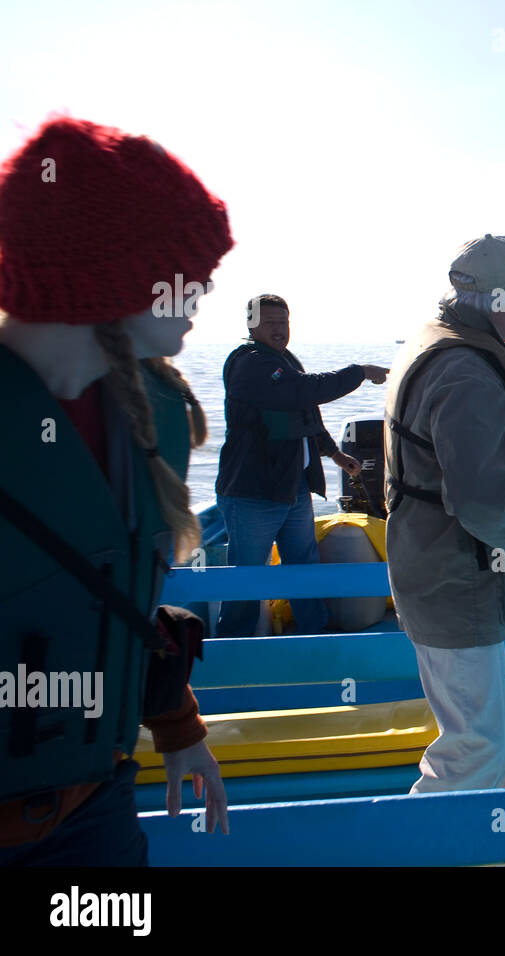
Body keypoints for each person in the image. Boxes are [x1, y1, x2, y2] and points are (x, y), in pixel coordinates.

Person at [0, 116, 231, 863]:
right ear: (107, 281)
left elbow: (110, 589)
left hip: (95, 811)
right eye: (183, 270)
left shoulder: (153, 417)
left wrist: (176, 723)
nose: (203, 289)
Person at [384, 234, 505, 793]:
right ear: (504, 298)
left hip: (430, 567)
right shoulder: (469, 374)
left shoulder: (438, 342)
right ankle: (426, 847)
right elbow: (480, 503)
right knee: (476, 759)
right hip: (457, 581)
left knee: (473, 735)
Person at [214, 294, 388, 636]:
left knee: (305, 567)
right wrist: (361, 372)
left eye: (284, 322)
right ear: (252, 326)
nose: (280, 330)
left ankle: (316, 634)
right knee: (248, 576)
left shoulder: (282, 360)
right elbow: (306, 390)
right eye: (271, 323)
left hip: (292, 488)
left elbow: (305, 413)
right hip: (254, 492)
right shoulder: (251, 364)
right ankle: (232, 646)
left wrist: (336, 455)